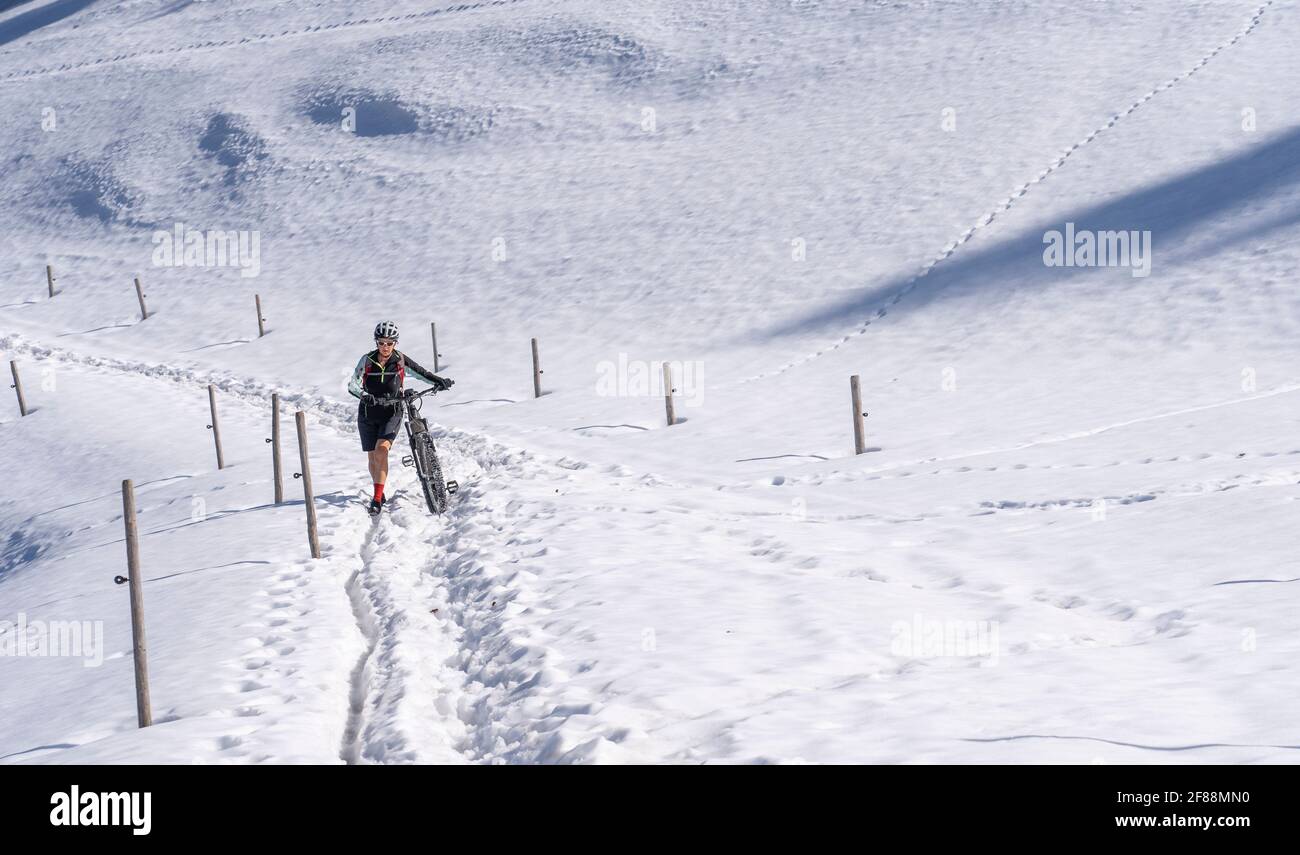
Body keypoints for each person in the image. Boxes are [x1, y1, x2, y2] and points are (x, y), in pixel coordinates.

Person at [347, 321, 453, 513]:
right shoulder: (367, 360)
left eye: (390, 343)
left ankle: (377, 500)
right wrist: (364, 395)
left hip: (392, 412)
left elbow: (421, 372)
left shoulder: (400, 360)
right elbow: (353, 384)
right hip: (368, 413)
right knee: (372, 457)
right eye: (381, 342)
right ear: (376, 342)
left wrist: (439, 381)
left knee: (381, 450)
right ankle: (379, 490)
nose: (385, 347)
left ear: (395, 343)